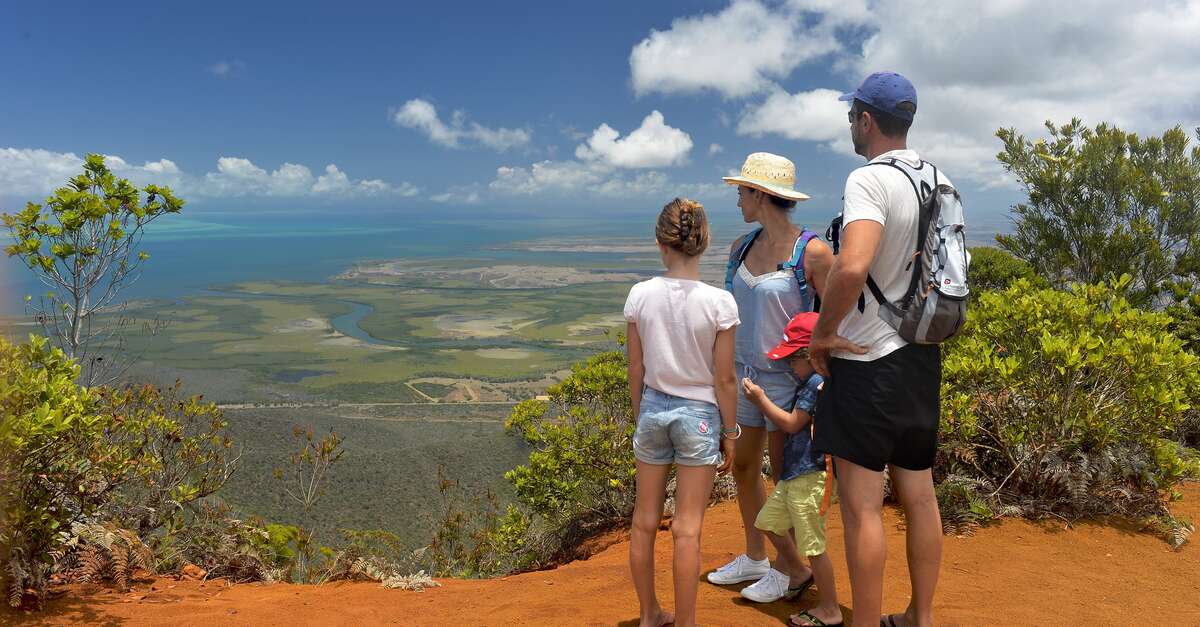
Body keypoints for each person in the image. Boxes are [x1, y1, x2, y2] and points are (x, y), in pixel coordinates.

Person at [808, 71, 951, 627]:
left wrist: (822, 333)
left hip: (868, 361)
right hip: (921, 354)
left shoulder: (868, 180)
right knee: (919, 494)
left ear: (866, 121)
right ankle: (921, 616)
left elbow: (853, 263)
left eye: (852, 116)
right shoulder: (939, 180)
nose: (851, 125)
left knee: (862, 506)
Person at [707, 153, 833, 594]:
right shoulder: (742, 245)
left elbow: (835, 316)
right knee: (744, 467)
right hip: (744, 373)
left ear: (761, 195)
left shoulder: (812, 252)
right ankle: (757, 557)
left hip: (785, 380)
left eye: (742, 191)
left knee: (784, 479)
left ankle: (791, 569)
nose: (738, 199)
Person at [624, 198, 740, 627]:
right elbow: (724, 379)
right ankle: (688, 622)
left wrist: (641, 413)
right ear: (704, 242)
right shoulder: (720, 303)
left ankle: (650, 614)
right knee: (687, 528)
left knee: (643, 522)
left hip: (653, 407)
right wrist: (731, 431)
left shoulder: (640, 295)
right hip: (701, 415)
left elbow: (635, 366)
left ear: (660, 243)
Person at [741, 312, 842, 627]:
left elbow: (792, 423)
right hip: (797, 473)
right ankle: (798, 572)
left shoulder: (815, 383)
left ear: (810, 356)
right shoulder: (811, 381)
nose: (788, 366)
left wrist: (760, 400)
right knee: (768, 522)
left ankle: (830, 609)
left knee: (814, 544)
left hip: (812, 476)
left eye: (791, 360)